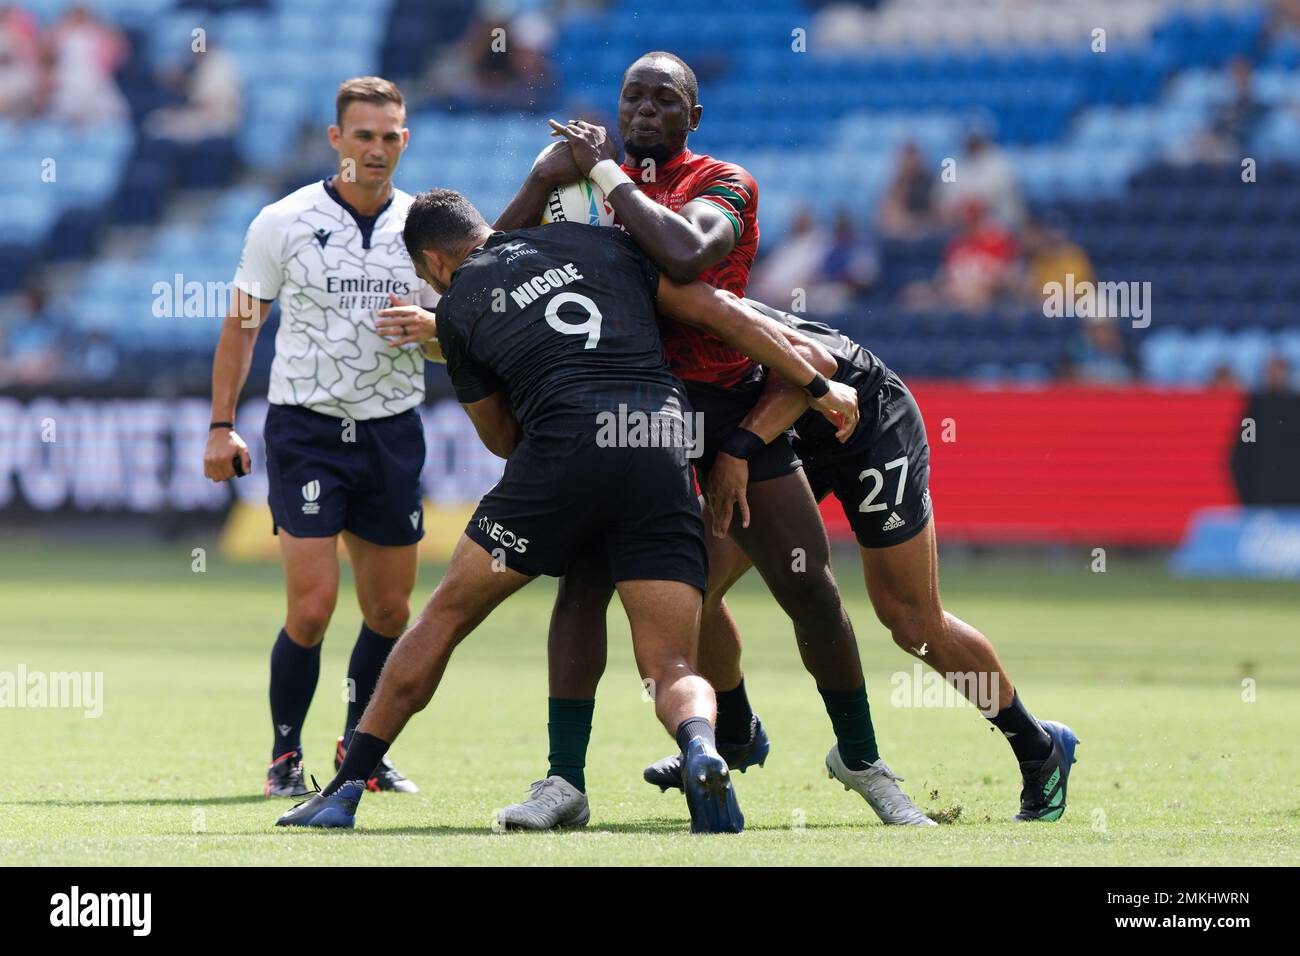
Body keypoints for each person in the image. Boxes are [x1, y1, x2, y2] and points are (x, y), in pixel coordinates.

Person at [274, 189, 861, 832]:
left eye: (423, 274)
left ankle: (345, 788)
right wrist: (815, 383)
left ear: (436, 262)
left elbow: (500, 439)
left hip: (562, 452)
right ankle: (699, 746)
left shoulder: (459, 306)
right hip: (658, 445)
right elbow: (712, 308)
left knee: (443, 618)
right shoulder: (602, 242)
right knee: (671, 662)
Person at [493, 51, 933, 830]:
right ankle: (566, 781)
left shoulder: (723, 182)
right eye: (633, 97)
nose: (645, 112)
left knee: (808, 584)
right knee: (587, 579)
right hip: (632, 409)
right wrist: (539, 179)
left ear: (694, 118)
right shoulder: (576, 187)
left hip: (729, 405)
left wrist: (604, 177)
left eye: (666, 100)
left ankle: (861, 759)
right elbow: (493, 271)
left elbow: (687, 254)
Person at [646, 299, 1080, 822]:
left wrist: (737, 447)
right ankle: (735, 734)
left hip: (866, 424)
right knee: (696, 585)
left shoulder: (690, 308)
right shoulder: (634, 329)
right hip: (780, 443)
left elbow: (814, 369)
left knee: (911, 620)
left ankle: (1037, 748)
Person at [203, 77, 437, 798]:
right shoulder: (284, 220)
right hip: (306, 429)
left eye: (390, 135)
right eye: (362, 135)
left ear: (405, 138)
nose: (376, 148)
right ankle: (283, 756)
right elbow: (242, 325)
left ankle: (358, 751)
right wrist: (220, 425)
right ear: (335, 140)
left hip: (393, 429)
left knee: (391, 612)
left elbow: (468, 328)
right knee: (310, 607)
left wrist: (436, 328)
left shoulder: (428, 228)